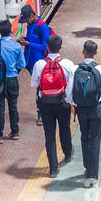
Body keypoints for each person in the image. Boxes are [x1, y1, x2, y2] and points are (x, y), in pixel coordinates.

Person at [32, 33, 77, 178]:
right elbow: (71, 85)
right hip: (62, 103)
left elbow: (34, 84)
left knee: (49, 135)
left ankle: (53, 169)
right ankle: (68, 153)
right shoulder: (68, 64)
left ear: (47, 47)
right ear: (61, 47)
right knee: (65, 129)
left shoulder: (39, 64)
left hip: (45, 104)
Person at [70, 40, 101, 188]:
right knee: (95, 139)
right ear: (96, 53)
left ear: (83, 52)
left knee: (84, 136)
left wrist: (73, 105)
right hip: (96, 108)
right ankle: (92, 175)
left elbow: (70, 91)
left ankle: (87, 166)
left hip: (81, 109)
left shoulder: (75, 69)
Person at [0, 19, 27, 142]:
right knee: (13, 106)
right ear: (11, 31)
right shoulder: (16, 46)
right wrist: (12, 66)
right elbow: (22, 64)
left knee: (0, 107)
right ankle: (15, 132)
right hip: (12, 80)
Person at [18, 4, 51, 125]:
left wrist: (29, 44)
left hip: (38, 62)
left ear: (32, 16)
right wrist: (22, 39)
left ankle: (41, 114)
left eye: (27, 19)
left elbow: (45, 47)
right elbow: (28, 37)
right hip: (28, 61)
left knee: (40, 89)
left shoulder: (42, 27)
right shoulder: (30, 24)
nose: (26, 22)